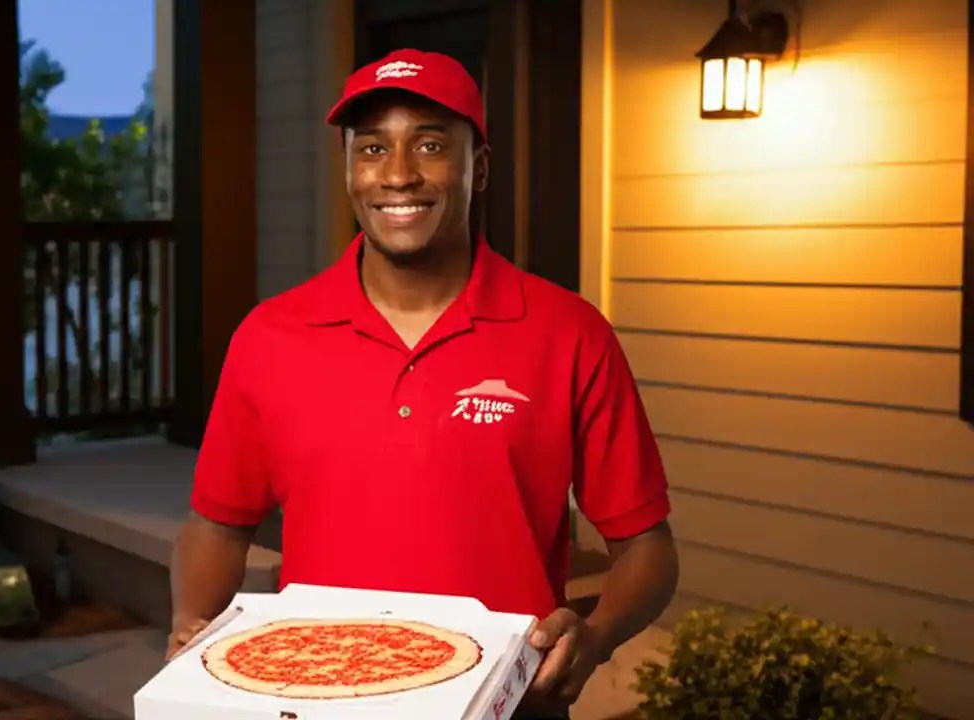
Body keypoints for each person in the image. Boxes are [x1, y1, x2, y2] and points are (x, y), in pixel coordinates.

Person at [167, 48, 679, 719]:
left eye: (431, 145)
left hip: (508, 705)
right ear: (348, 168)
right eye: (372, 148)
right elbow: (216, 526)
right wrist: (191, 625)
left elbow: (647, 548)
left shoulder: (570, 333)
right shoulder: (270, 336)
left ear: (480, 167)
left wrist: (597, 635)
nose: (398, 174)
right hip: (316, 702)